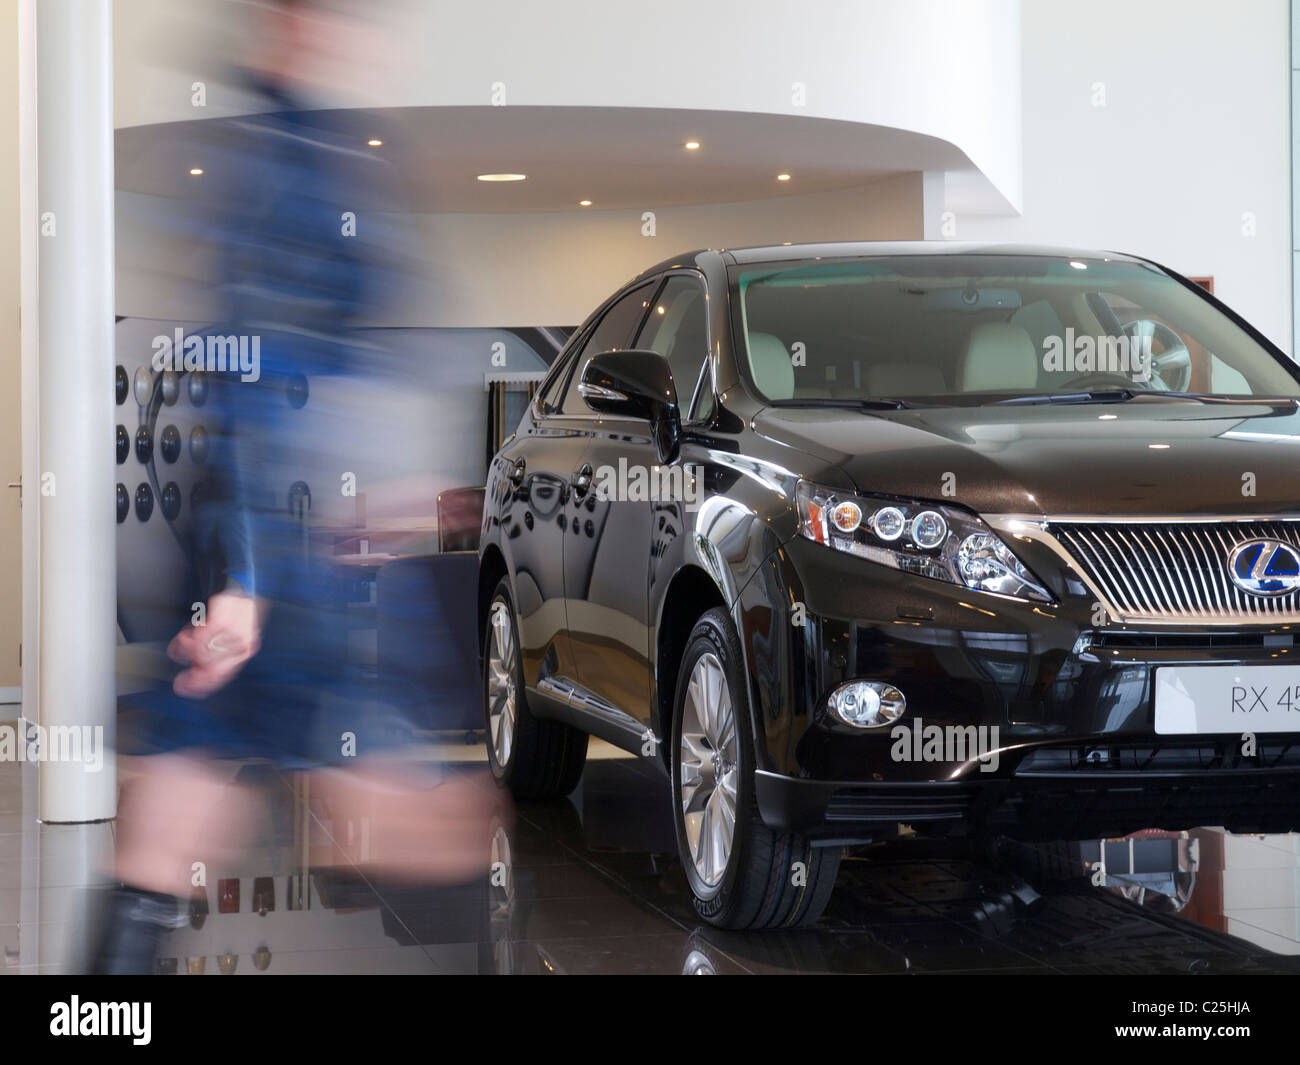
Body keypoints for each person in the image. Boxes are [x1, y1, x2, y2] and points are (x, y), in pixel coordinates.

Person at [89, 0, 507, 973]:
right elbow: (257, 389)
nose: (367, 41)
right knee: (437, 828)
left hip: (287, 557)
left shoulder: (301, 148)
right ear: (295, 26)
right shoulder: (299, 165)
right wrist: (246, 584)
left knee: (168, 834)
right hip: (300, 571)